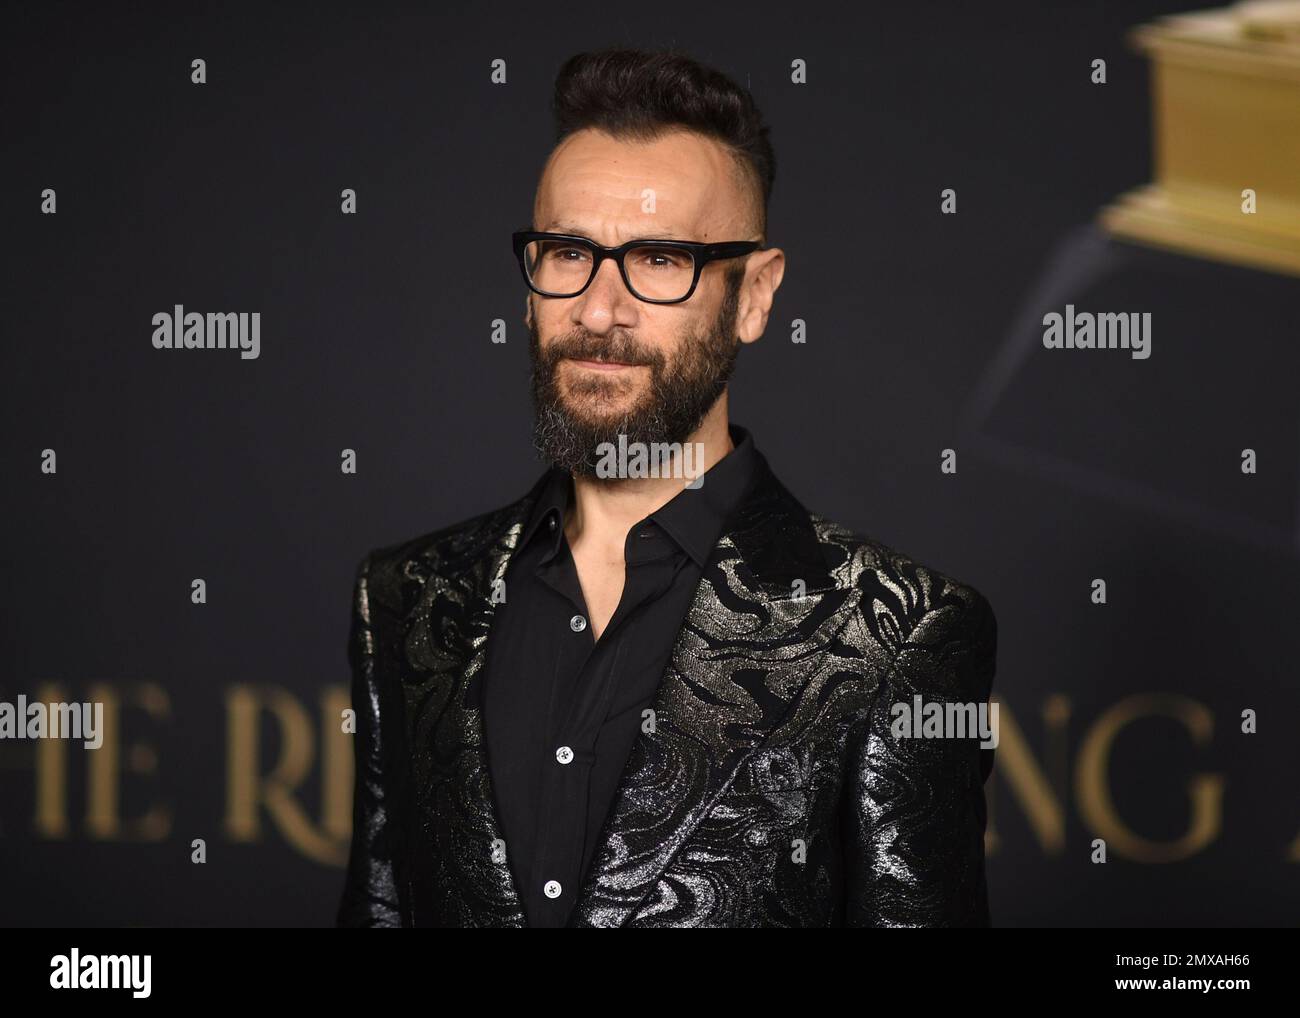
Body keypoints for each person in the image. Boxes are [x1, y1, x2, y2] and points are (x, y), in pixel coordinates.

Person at [336, 47, 997, 928]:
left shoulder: (897, 634)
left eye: (657, 260)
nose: (599, 310)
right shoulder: (410, 600)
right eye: (569, 252)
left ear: (754, 295)